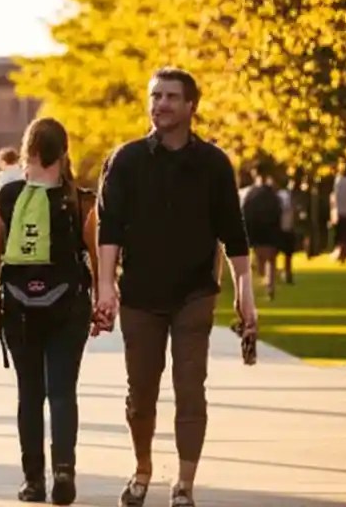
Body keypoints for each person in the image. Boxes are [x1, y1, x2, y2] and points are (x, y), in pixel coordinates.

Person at [95, 67, 258, 507]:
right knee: (141, 391)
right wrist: (105, 286)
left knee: (190, 387)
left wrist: (246, 292)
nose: (160, 104)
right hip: (141, 295)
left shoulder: (213, 164)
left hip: (194, 293)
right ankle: (143, 467)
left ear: (191, 106)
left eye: (170, 97)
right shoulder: (125, 160)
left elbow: (234, 234)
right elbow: (109, 229)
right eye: (155, 96)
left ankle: (184, 483)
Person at [0, 118, 96, 505]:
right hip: (70, 306)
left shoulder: (6, 196)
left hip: (19, 308)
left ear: (26, 150)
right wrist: (100, 301)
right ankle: (64, 472)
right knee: (63, 391)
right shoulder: (81, 200)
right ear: (65, 153)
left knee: (29, 394)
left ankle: (33, 480)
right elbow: (96, 257)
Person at [240, 164, 282, 300]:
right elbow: (278, 209)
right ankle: (269, 285)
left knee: (261, 258)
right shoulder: (272, 192)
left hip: (257, 229)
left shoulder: (251, 193)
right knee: (270, 258)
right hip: (270, 227)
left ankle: (264, 282)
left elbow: (245, 212)